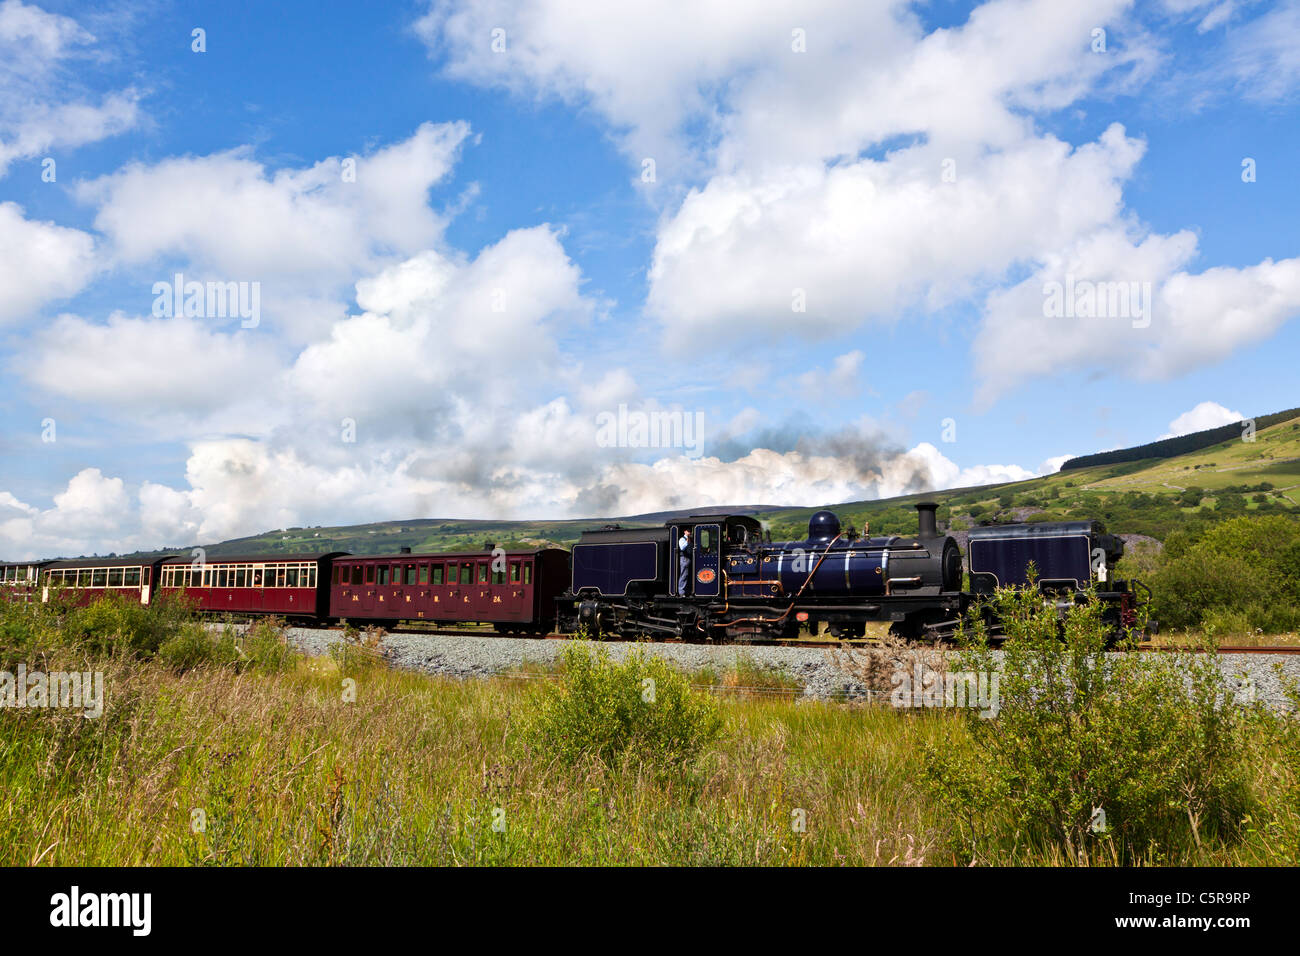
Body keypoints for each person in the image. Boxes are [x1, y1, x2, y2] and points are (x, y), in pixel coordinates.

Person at [677, 528, 692, 595]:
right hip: (684, 558)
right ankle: (681, 592)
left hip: (689, 558)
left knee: (687, 575)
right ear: (685, 531)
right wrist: (687, 541)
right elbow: (682, 547)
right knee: (684, 575)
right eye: (688, 531)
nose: (689, 532)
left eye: (690, 531)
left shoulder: (691, 539)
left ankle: (688, 591)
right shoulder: (682, 539)